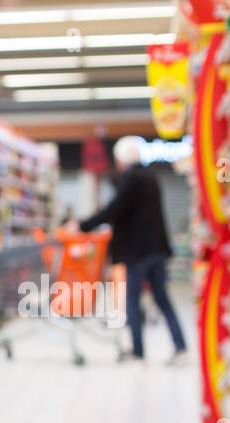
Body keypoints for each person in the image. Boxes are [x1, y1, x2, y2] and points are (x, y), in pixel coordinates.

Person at [67, 135, 188, 365]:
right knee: (162, 299)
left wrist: (82, 225)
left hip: (138, 252)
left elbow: (114, 210)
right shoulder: (151, 177)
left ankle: (138, 352)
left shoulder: (130, 178)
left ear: (120, 160)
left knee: (132, 299)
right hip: (157, 249)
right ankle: (181, 347)